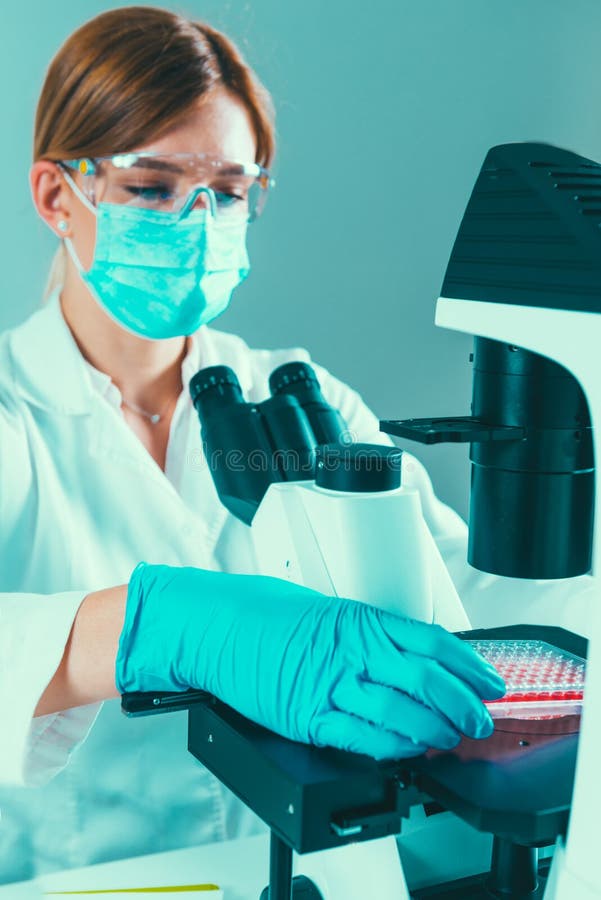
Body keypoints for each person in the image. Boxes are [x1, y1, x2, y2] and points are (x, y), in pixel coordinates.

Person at [0, 6, 507, 885]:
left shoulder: (302, 396)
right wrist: (158, 626)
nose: (196, 220)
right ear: (57, 196)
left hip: (294, 866)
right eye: (151, 187)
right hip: (80, 881)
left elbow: (470, 601)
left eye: (227, 191)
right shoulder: (15, 414)